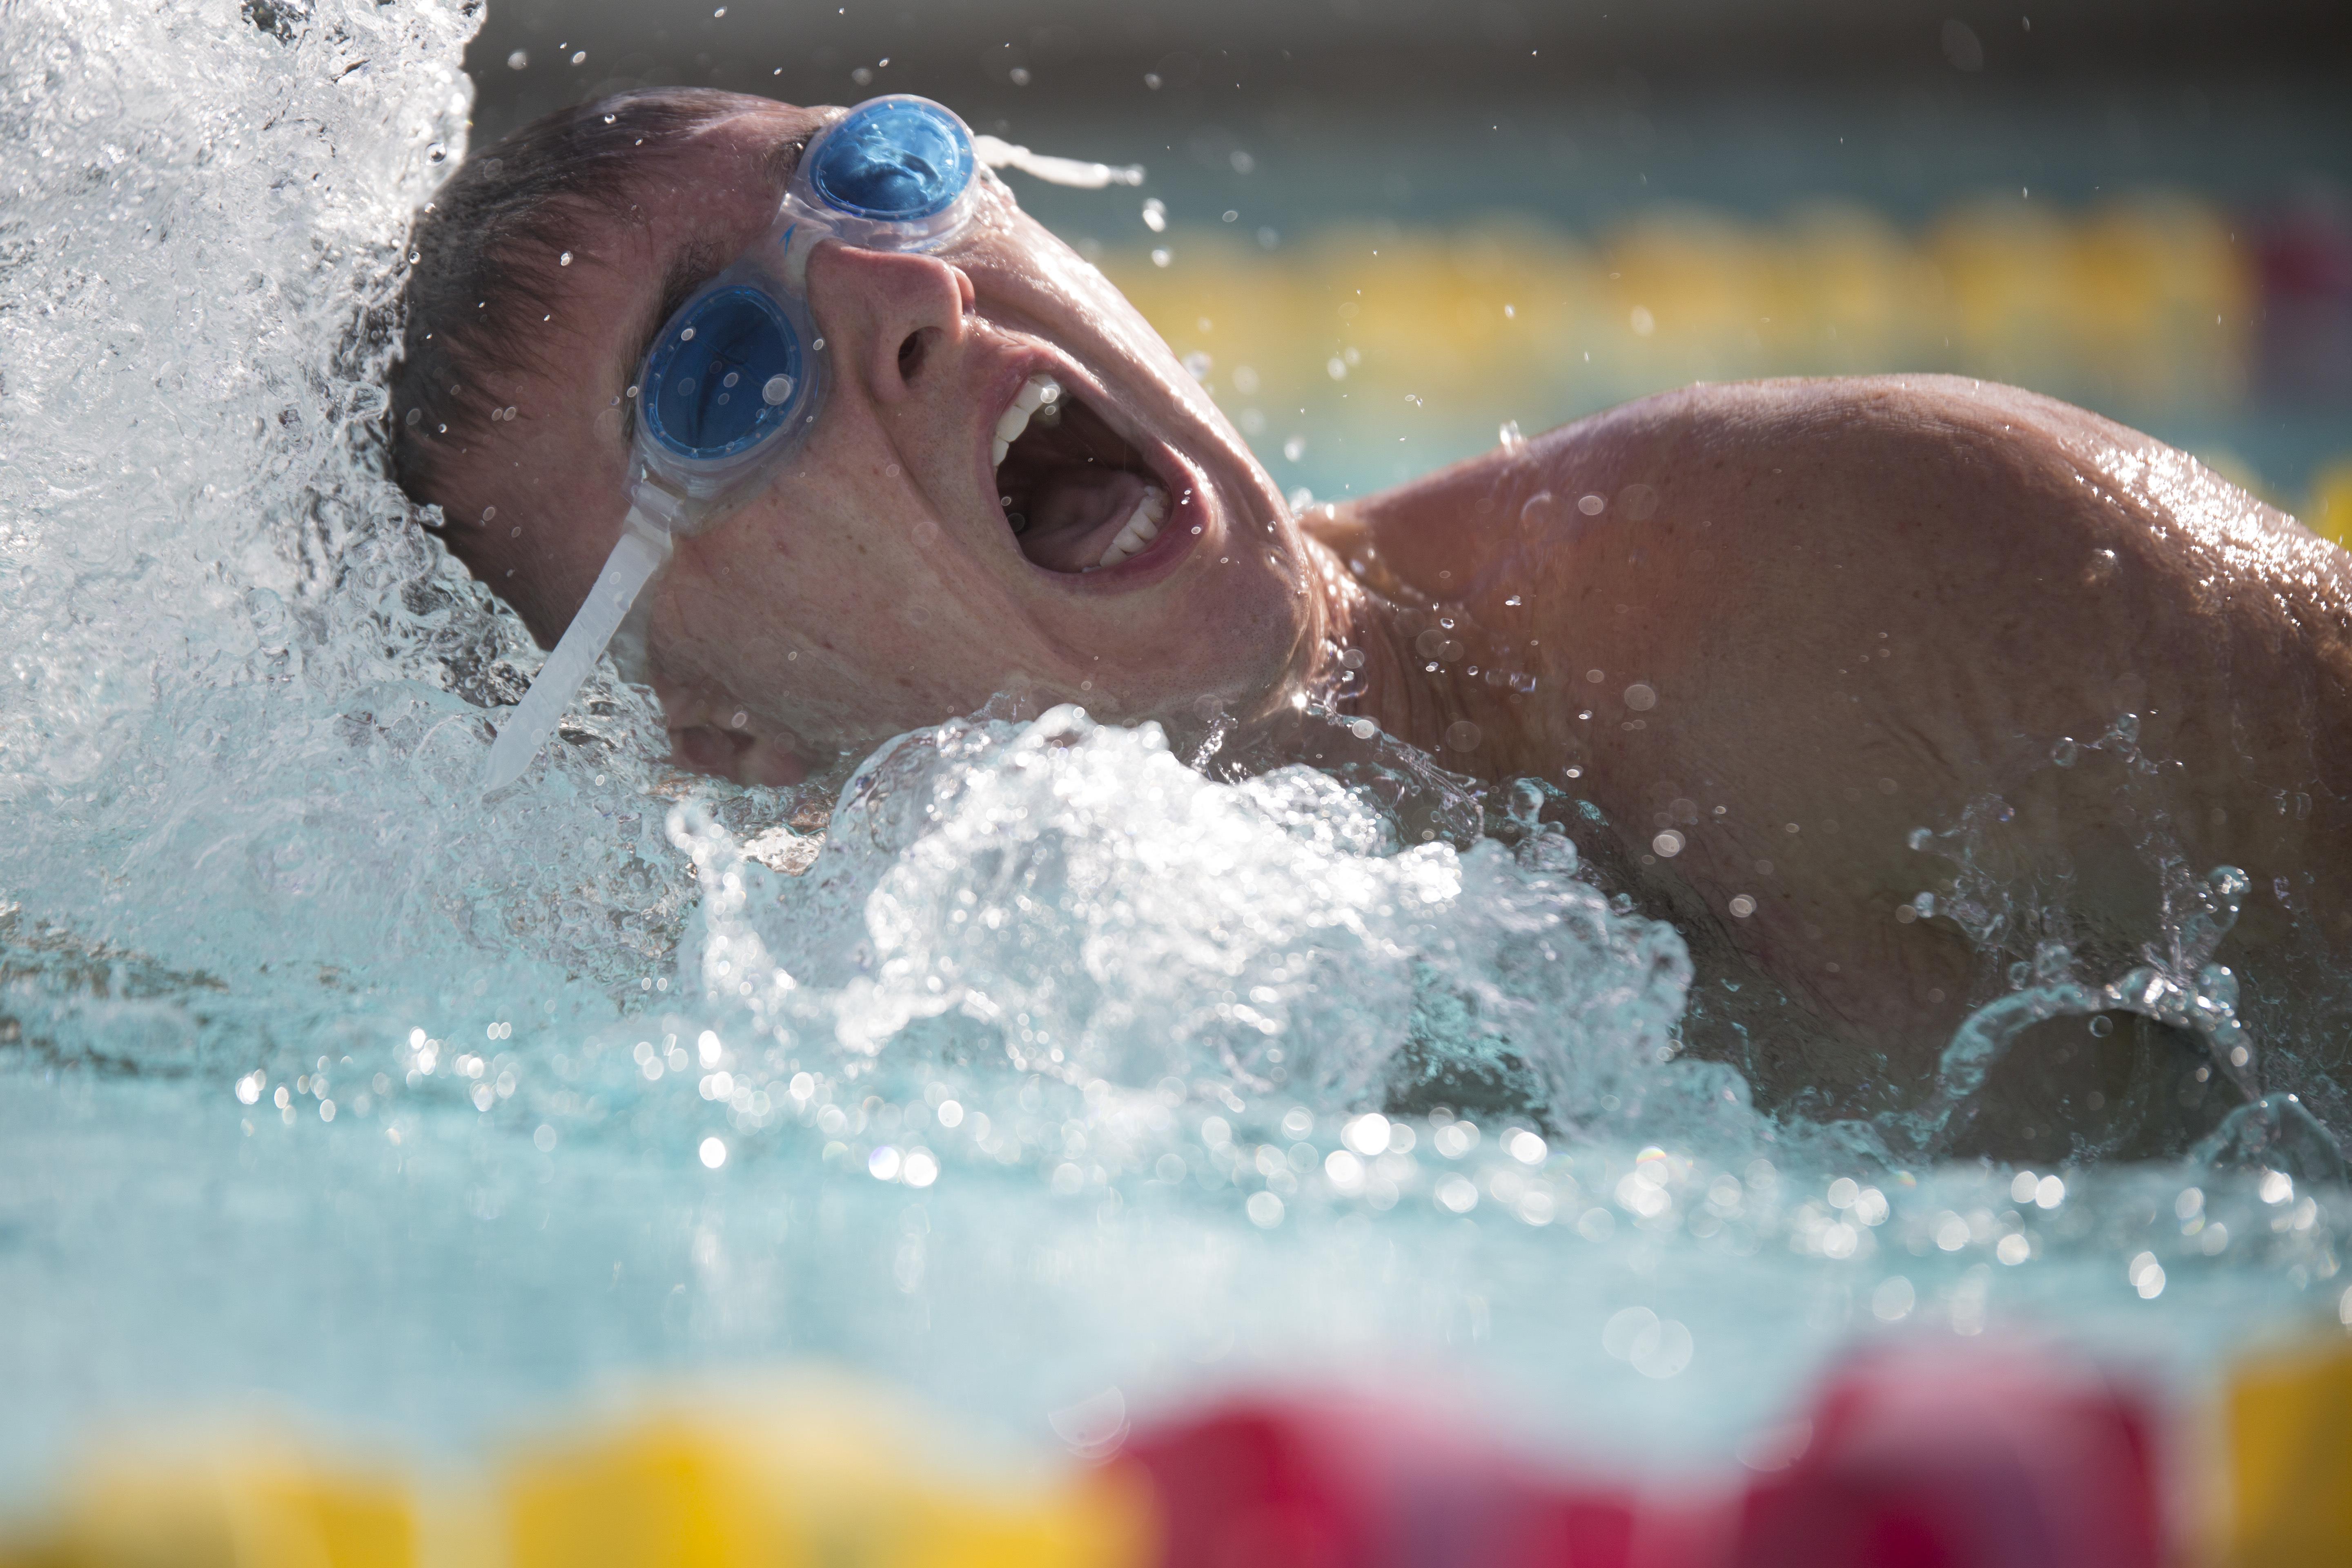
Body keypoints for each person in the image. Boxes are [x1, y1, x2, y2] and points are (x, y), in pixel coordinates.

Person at [389, 88, 2352, 1148]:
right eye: (720, 383)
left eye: (868, 176)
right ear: (715, 735)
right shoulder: (846, 1093)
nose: (900, 296)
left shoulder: (1854, 580)